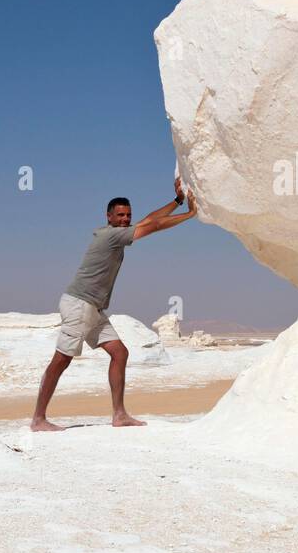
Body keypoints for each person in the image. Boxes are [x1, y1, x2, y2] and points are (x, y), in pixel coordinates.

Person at [30, 177, 196, 431]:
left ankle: (119, 415)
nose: (125, 220)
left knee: (120, 352)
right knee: (61, 360)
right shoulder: (110, 236)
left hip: (93, 308)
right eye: (120, 215)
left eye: (128, 215)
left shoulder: (118, 234)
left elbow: (149, 221)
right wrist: (189, 214)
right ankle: (38, 419)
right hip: (79, 304)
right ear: (109, 217)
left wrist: (177, 201)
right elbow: (153, 227)